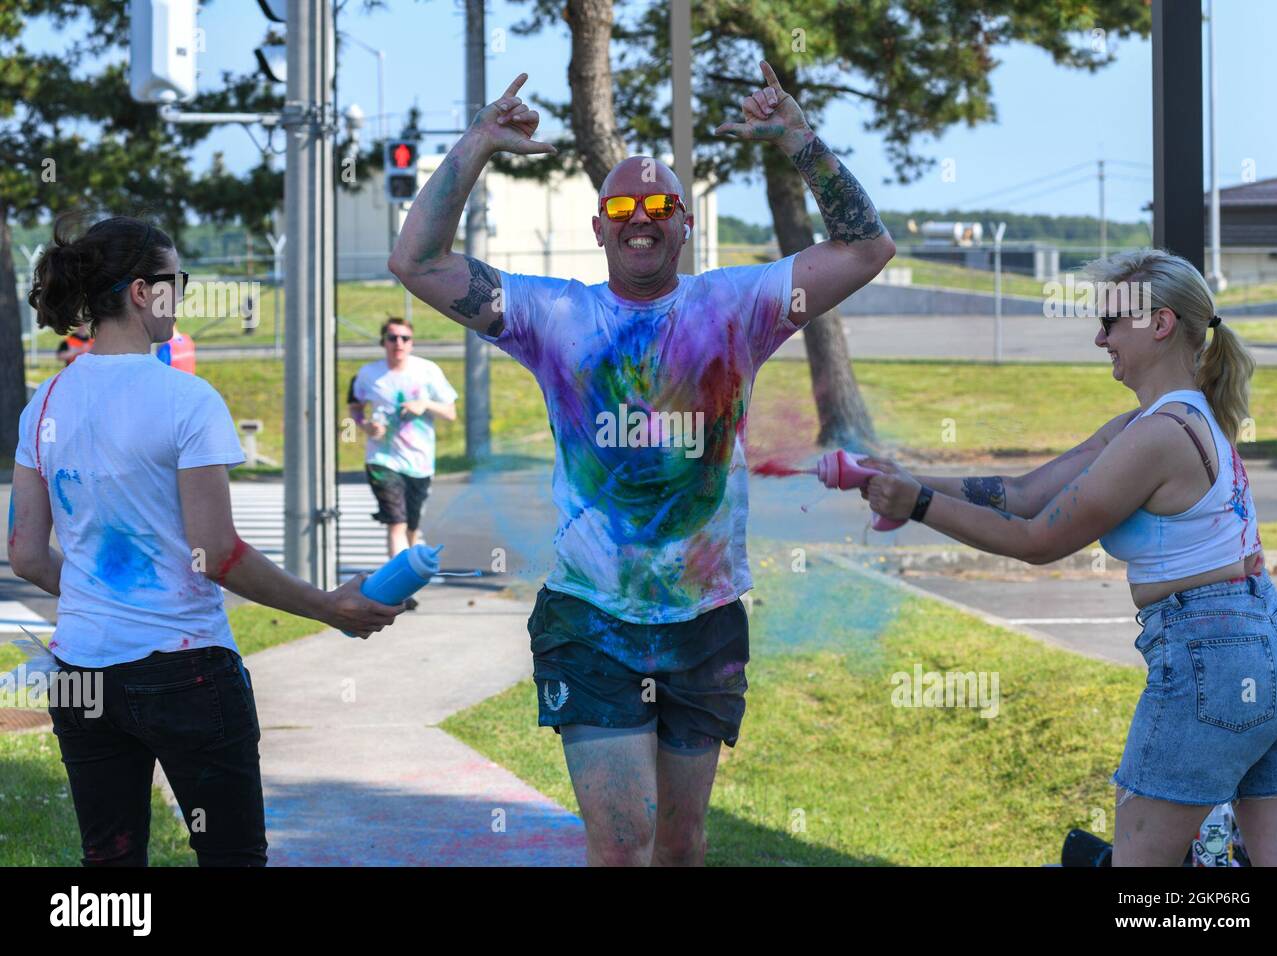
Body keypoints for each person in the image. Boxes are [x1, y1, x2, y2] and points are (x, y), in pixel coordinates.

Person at [388, 63, 897, 865]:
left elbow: (868, 249)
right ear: (599, 228)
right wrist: (477, 144)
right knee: (624, 844)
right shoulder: (555, 314)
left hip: (706, 619)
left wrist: (801, 140)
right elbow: (416, 263)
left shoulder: (738, 307)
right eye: (622, 208)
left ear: (684, 225)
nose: (641, 219)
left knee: (681, 845)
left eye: (659, 208)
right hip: (591, 619)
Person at [861, 249, 1277, 867]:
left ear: (1160, 323)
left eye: (1111, 321)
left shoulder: (1157, 435)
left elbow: (1037, 540)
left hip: (1214, 653)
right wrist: (909, 481)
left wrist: (918, 505)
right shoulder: (1160, 421)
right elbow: (1024, 493)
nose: (1100, 338)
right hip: (1274, 644)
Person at [9, 214, 407, 867]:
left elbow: (26, 554)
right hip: (186, 671)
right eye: (177, 281)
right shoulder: (186, 399)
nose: (182, 296)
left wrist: (95, 590)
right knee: (231, 856)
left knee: (110, 863)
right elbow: (216, 552)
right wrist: (327, 606)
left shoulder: (44, 405)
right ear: (142, 291)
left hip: (82, 672)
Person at [347, 316, 458, 565]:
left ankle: (410, 569)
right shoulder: (368, 374)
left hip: (419, 461)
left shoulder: (428, 371)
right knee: (396, 522)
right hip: (382, 459)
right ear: (383, 342)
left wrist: (424, 404)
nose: (398, 343)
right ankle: (400, 582)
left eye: (404, 338)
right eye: (392, 338)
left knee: (411, 526)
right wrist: (365, 425)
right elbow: (354, 407)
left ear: (411, 343)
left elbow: (451, 413)